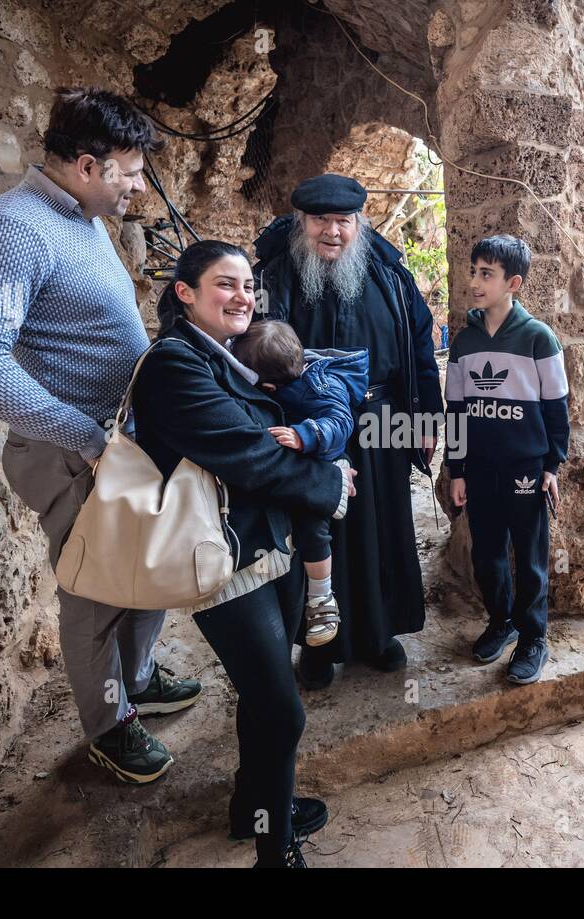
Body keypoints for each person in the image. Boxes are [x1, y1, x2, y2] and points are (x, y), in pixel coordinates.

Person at [0, 87, 202, 784]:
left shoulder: (82, 217)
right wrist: (82, 434)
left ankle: (137, 677)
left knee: (143, 570)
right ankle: (111, 724)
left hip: (119, 442)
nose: (140, 186)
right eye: (130, 171)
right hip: (73, 450)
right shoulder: (10, 228)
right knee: (95, 594)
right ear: (87, 166)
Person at [132, 240, 356, 867]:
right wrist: (331, 483)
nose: (242, 297)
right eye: (225, 285)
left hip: (264, 548)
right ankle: (275, 854)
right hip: (224, 566)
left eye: (248, 287)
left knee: (265, 699)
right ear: (185, 292)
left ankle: (253, 808)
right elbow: (249, 455)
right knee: (284, 714)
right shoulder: (174, 366)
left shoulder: (223, 356)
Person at [253, 173, 444, 689]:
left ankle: (378, 635)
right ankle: (318, 646)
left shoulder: (392, 278)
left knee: (380, 525)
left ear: (359, 223)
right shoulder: (272, 277)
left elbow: (420, 350)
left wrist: (425, 418)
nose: (332, 232)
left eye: (343, 221)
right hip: (308, 425)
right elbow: (251, 355)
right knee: (317, 534)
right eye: (320, 220)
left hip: (382, 423)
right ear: (302, 223)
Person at [446, 235, 570, 684]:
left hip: (525, 470)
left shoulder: (538, 338)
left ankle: (534, 636)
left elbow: (557, 409)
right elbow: (455, 411)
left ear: (512, 282)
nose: (475, 282)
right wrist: (456, 470)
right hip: (479, 470)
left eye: (486, 274)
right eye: (473, 271)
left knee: (531, 556)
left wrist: (552, 466)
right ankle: (501, 621)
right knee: (488, 556)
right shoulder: (463, 342)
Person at [230, 319, 369, 646]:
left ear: (267, 388)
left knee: (312, 530)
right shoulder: (289, 373)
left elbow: (339, 421)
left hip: (324, 462)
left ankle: (322, 599)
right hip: (299, 467)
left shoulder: (320, 386)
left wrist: (305, 434)